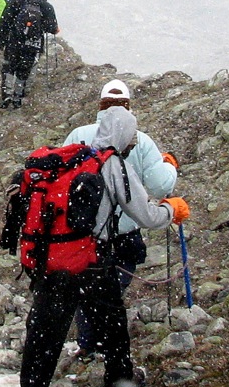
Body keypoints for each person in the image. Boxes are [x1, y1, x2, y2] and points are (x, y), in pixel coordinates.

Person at [12, 106, 190, 387]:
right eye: (131, 136)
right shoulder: (112, 164)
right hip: (91, 263)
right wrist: (171, 210)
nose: (133, 142)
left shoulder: (72, 158)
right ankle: (120, 386)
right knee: (112, 326)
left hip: (51, 263)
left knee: (44, 336)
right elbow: (146, 215)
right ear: (123, 134)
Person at [63, 79, 180, 360]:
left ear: (100, 106)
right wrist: (169, 167)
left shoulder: (78, 135)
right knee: (113, 289)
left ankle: (88, 343)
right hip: (124, 232)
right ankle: (107, 349)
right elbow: (160, 186)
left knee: (87, 285)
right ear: (128, 107)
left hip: (84, 232)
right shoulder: (141, 140)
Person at [0, 0, 58, 109]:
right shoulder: (45, 5)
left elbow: (4, 22)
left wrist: (1, 40)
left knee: (9, 67)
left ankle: (7, 95)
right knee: (23, 70)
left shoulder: (16, 0)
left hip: (15, 42)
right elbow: (53, 28)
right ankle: (17, 97)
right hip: (33, 44)